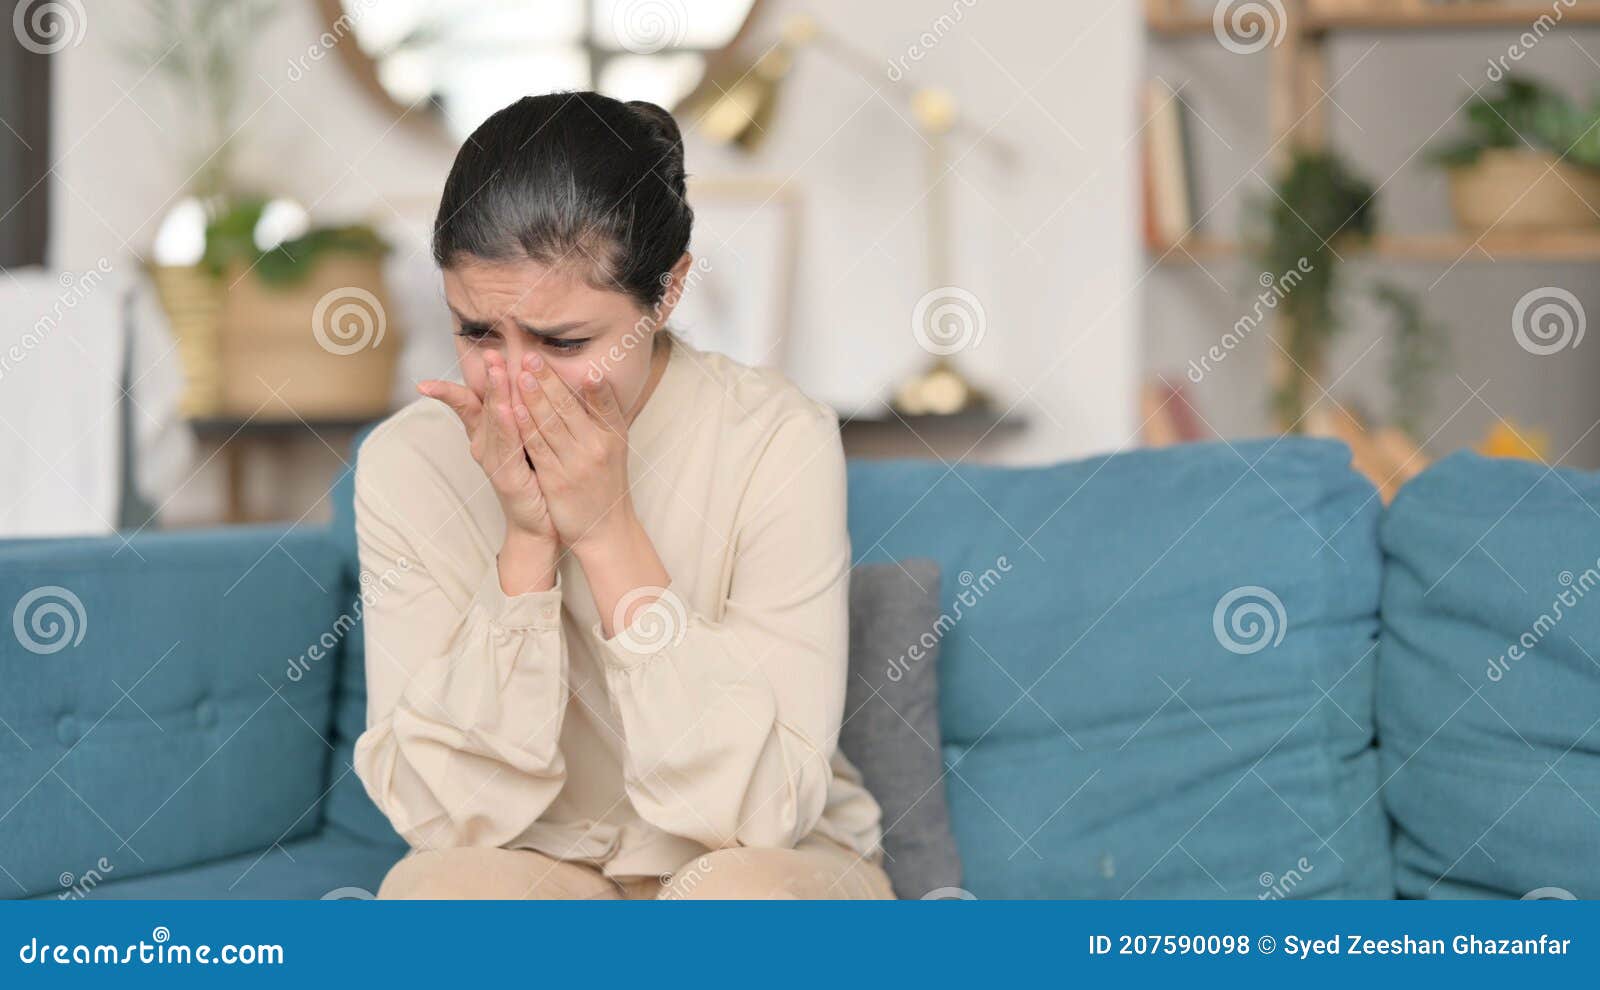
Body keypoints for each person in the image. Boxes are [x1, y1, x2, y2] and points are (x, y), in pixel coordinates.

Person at [350, 91, 890, 899]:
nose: (516, 381)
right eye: (476, 332)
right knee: (432, 899)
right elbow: (440, 819)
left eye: (564, 341)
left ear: (668, 293)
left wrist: (606, 533)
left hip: (761, 860)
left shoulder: (778, 439)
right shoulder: (404, 464)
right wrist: (526, 548)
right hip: (535, 862)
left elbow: (764, 808)